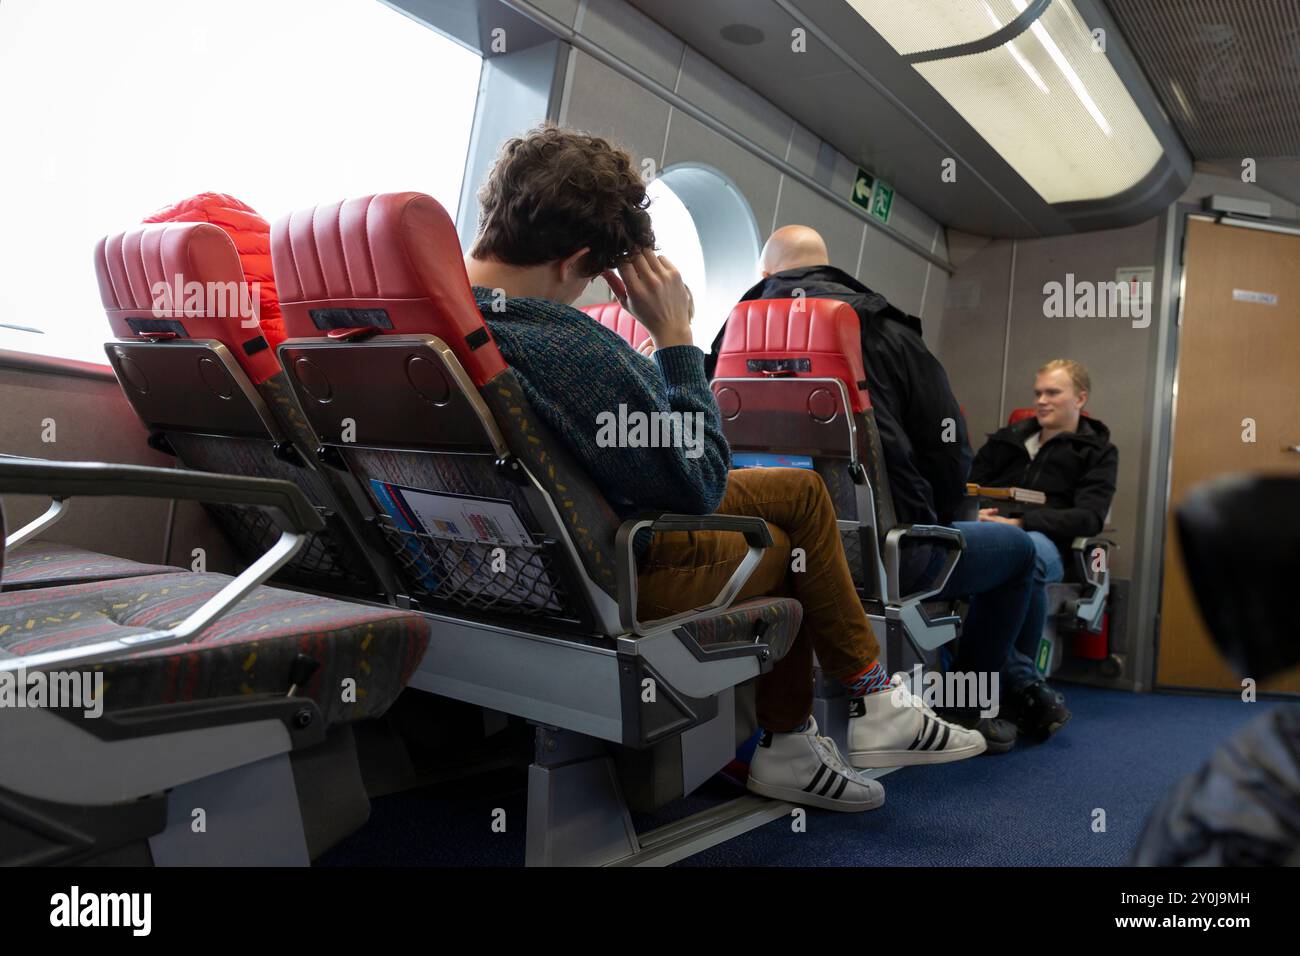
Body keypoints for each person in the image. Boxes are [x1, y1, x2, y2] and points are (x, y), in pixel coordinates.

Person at [463, 126, 985, 812]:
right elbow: (699, 481)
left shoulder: (434, 311)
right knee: (793, 549)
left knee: (796, 493)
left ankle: (858, 710)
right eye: (594, 276)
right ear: (578, 261)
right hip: (605, 570)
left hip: (486, 558)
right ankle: (819, 731)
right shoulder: (565, 347)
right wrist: (676, 338)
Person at [708, 225, 1066, 750]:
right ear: (830, 267)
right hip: (884, 553)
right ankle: (970, 706)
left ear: (763, 276)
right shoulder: (885, 328)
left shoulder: (725, 339)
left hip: (766, 551)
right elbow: (948, 449)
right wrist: (939, 527)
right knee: (1018, 552)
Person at [970, 360, 1118, 736]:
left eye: (1053, 393)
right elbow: (968, 483)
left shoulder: (1096, 451)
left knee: (1026, 553)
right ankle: (1023, 684)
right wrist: (976, 511)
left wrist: (1020, 523)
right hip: (987, 529)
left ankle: (1006, 686)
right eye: (1038, 393)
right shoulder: (1008, 439)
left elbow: (1089, 518)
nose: (1041, 401)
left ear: (1080, 398)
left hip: (1047, 543)